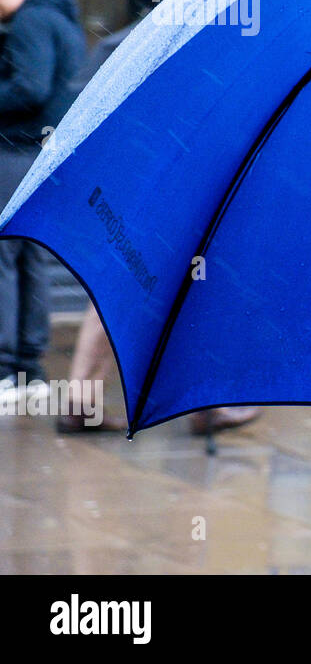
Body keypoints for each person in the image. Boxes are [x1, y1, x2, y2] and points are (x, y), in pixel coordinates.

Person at [53, 25, 261, 436]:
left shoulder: (132, 56)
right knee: (202, 289)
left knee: (118, 286)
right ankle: (207, 401)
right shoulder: (206, 62)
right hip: (172, 194)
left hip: (129, 189)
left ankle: (81, 400)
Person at [0, 0, 83, 404]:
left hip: (15, 151)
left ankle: (7, 369)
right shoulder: (58, 13)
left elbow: (29, 87)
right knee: (29, 256)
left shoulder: (31, 21)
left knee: (6, 257)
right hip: (42, 154)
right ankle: (27, 367)